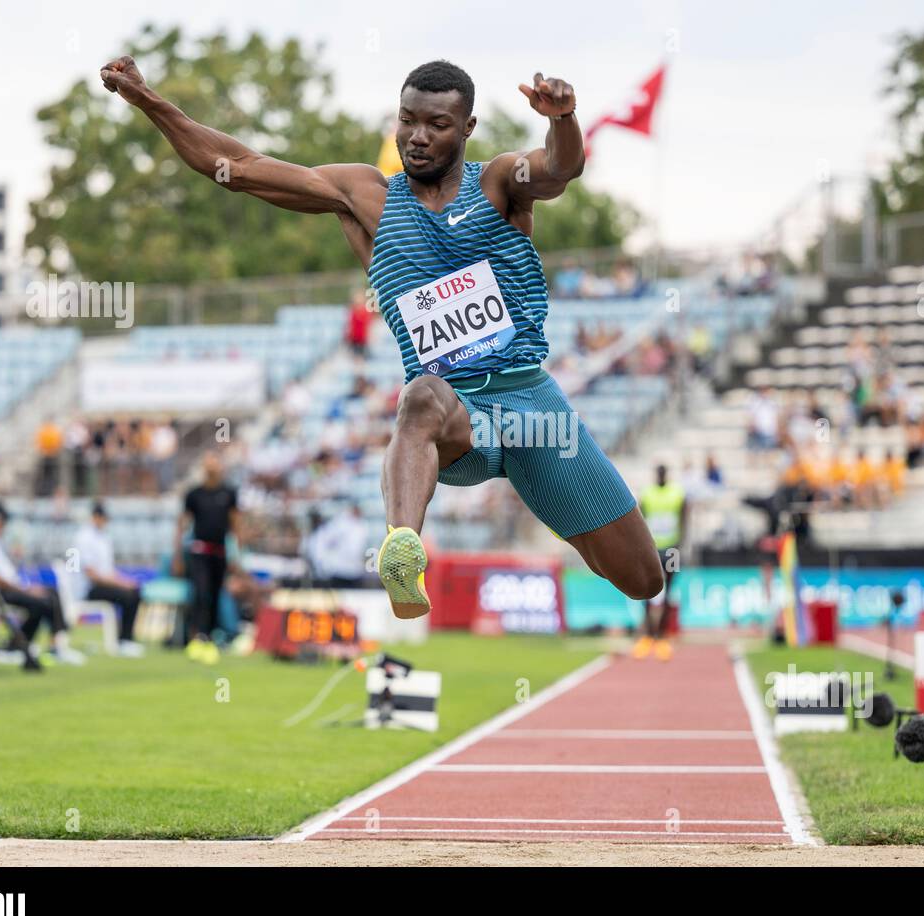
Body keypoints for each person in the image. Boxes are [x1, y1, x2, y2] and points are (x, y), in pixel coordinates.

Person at [101, 55, 663, 621]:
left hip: (531, 405)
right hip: (456, 410)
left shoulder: (498, 182)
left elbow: (560, 168)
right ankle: (402, 550)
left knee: (642, 579)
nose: (417, 137)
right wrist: (150, 101)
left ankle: (556, 505)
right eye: (407, 120)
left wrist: (563, 119)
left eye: (437, 125)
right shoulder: (363, 195)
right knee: (419, 396)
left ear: (467, 128)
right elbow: (237, 165)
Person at [0, 504, 84, 665]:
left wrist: (27, 588)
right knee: (43, 601)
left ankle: (33, 644)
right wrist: (26, 590)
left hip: (10, 588)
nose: (1, 525)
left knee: (51, 593)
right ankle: (44, 646)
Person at [173, 451, 241, 664]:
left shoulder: (228, 493)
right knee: (200, 593)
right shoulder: (194, 494)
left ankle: (210, 637)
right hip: (199, 551)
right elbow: (182, 524)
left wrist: (237, 554)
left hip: (219, 552)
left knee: (214, 595)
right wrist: (177, 555)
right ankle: (197, 637)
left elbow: (236, 524)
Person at [72, 501, 145, 657]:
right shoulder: (83, 537)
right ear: (96, 517)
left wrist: (126, 581)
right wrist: (121, 584)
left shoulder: (103, 538)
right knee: (127, 596)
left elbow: (108, 571)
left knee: (134, 591)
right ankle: (124, 641)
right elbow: (91, 574)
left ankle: (126, 639)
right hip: (88, 588)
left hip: (101, 584)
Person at [635, 464, 687, 661]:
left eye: (664, 473)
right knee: (647, 590)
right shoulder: (647, 494)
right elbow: (640, 518)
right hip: (652, 549)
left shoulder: (677, 493)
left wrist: (681, 545)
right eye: (659, 473)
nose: (661, 476)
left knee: (669, 591)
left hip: (672, 549)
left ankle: (662, 635)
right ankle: (648, 635)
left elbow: (684, 519)